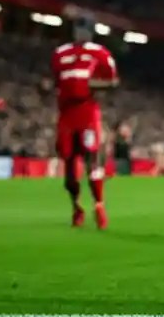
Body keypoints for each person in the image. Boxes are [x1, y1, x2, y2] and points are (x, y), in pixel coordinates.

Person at [52, 17, 118, 228]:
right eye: (78, 29)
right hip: (66, 115)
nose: (80, 33)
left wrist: (91, 86)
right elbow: (57, 82)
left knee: (92, 159)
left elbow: (113, 81)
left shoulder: (101, 53)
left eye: (84, 30)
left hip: (87, 112)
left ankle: (99, 205)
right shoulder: (60, 53)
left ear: (91, 33)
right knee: (69, 164)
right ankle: (76, 207)